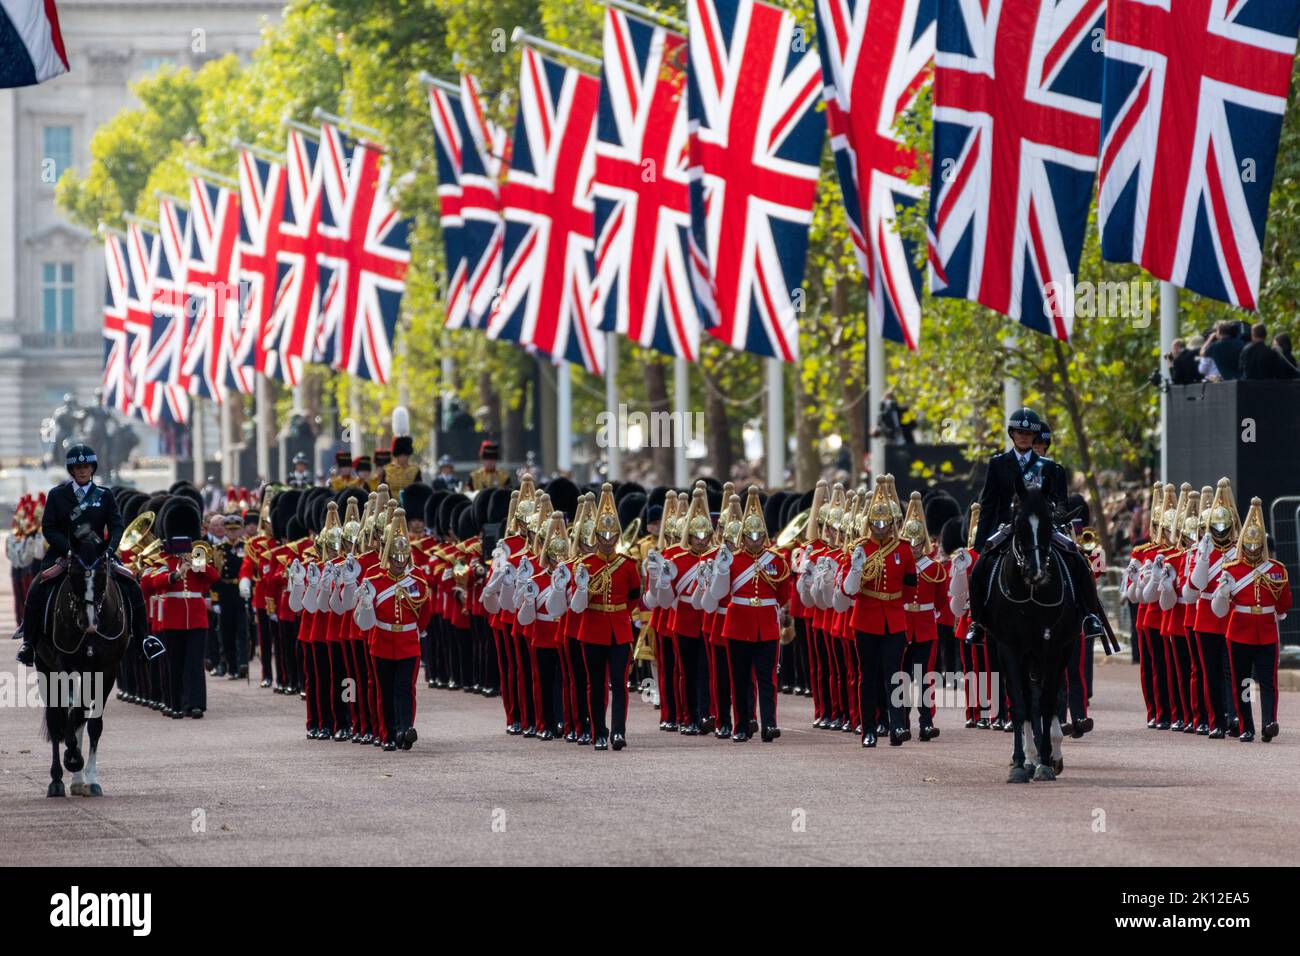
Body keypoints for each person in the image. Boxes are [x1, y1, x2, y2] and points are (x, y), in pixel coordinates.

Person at [966, 408, 1105, 647]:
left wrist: (1053, 520)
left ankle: (1089, 615)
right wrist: (981, 545)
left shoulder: (1048, 467)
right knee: (979, 569)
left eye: (1028, 433)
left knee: (1078, 560)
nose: (1023, 437)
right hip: (1007, 528)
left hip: (1041, 528)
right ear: (1012, 434)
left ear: (1034, 437)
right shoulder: (998, 464)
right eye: (1019, 432)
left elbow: (1060, 501)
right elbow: (989, 505)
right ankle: (977, 623)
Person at [15, 444, 149, 667]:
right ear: (71, 470)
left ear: (92, 468)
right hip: (66, 554)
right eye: (77, 467)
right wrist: (67, 548)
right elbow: (49, 527)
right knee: (38, 585)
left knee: (131, 585)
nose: (82, 471)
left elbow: (117, 526)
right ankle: (29, 642)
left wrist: (109, 549)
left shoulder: (104, 496)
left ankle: (143, 639)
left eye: (86, 466)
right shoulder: (58, 495)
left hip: (98, 555)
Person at [701, 487, 792, 744]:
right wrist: (719, 570)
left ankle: (770, 724)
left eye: (758, 536)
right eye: (749, 536)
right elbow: (720, 592)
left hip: (765, 624)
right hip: (738, 622)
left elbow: (783, 594)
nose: (754, 540)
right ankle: (740, 725)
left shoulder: (775, 560)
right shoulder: (731, 560)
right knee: (739, 678)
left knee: (767, 679)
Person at [1209, 498, 1288, 742]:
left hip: (1265, 631)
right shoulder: (1231, 570)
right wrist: (1222, 592)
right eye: (1249, 545)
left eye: (1257, 546)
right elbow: (1219, 610)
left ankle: (1268, 723)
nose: (1253, 550)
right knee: (1243, 682)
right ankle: (1247, 725)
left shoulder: (1276, 569)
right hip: (1240, 631)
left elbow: (1284, 604)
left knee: (1268, 682)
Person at [379, 407, 422, 497]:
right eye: (400, 455)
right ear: (396, 455)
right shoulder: (387, 470)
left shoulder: (415, 470)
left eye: (405, 455)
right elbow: (382, 493)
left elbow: (419, 493)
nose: (402, 458)